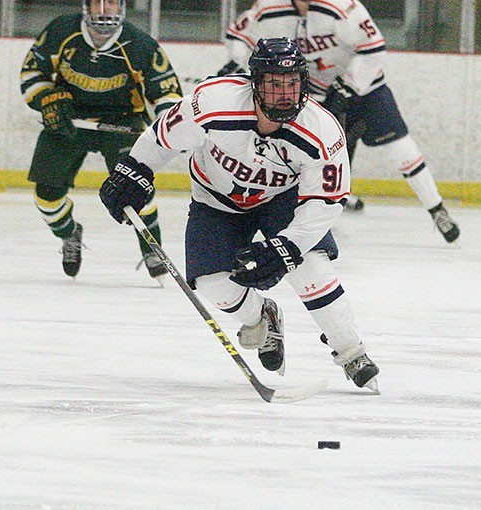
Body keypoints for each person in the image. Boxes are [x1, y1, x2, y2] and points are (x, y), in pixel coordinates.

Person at [99, 38, 380, 391]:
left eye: (292, 84)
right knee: (213, 285)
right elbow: (163, 135)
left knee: (310, 269)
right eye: (274, 84)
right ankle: (263, 316)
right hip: (216, 201)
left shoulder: (322, 131)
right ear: (254, 83)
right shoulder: (215, 103)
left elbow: (324, 203)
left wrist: (287, 248)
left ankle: (351, 351)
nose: (284, 94)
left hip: (282, 200)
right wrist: (134, 169)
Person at [217, 0, 460, 242]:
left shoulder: (343, 7)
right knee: (317, 156)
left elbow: (374, 51)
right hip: (315, 95)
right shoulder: (268, 8)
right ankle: (323, 205)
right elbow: (237, 36)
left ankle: (437, 209)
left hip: (367, 90)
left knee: (401, 151)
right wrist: (241, 63)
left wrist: (347, 87)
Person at [20, 0, 183, 279]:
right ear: (86, 7)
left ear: (122, 8)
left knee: (136, 188)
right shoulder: (61, 31)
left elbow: (167, 94)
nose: (105, 10)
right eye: (98, 3)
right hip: (68, 118)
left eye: (112, 4)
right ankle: (69, 234)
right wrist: (48, 99)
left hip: (122, 119)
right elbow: (33, 74)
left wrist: (171, 127)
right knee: (46, 195)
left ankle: (151, 247)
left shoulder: (141, 45)